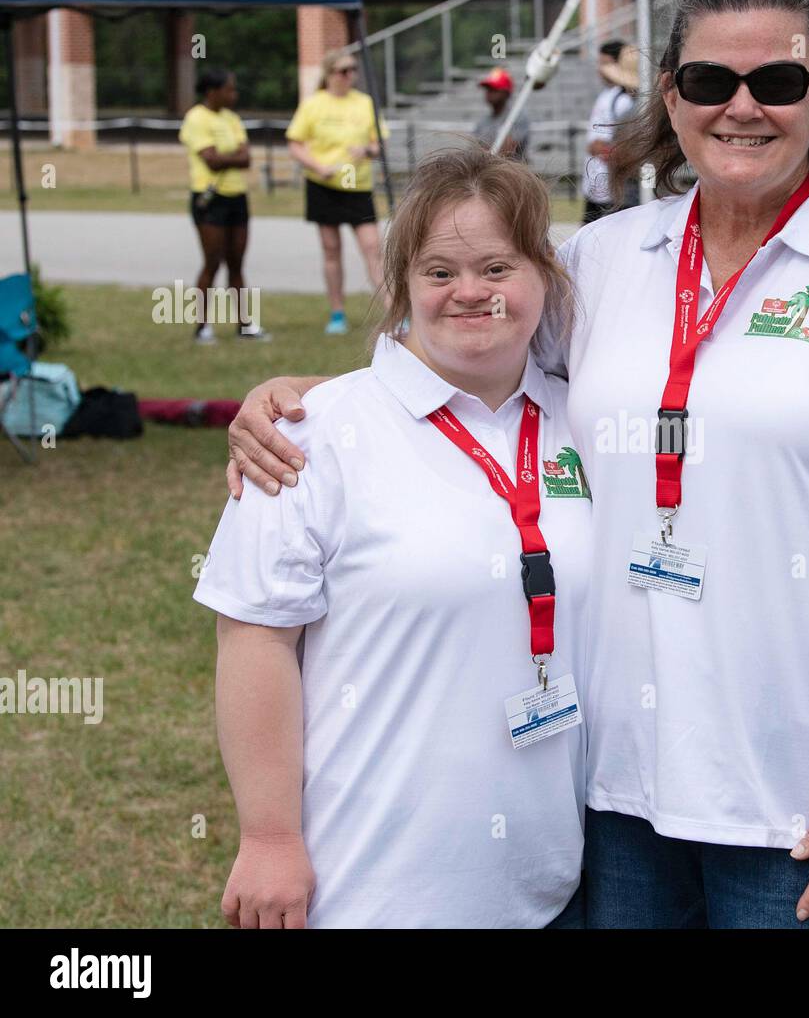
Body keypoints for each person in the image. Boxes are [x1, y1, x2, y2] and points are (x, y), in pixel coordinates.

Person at [224, 0, 809, 930]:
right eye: (708, 81)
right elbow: (468, 343)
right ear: (670, 96)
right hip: (613, 799)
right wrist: (308, 398)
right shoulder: (606, 259)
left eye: (777, 82)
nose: (743, 107)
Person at [194, 147, 589, 928]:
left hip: (553, 886)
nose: (470, 292)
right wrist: (269, 838)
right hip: (374, 889)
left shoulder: (586, 418)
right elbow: (255, 640)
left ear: (544, 273)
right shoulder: (311, 435)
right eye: (440, 271)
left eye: (498, 268)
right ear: (403, 283)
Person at [286, 49, 389, 335]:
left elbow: (379, 142)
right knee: (331, 249)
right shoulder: (314, 104)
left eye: (353, 70)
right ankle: (337, 313)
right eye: (344, 71)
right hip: (324, 185)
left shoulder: (364, 103)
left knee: (373, 247)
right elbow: (295, 143)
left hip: (357, 183)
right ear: (330, 74)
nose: (350, 76)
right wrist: (317, 166)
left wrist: (367, 149)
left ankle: (394, 311)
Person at [179, 68, 268, 343]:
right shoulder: (196, 118)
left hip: (236, 197)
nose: (234, 94)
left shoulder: (231, 118)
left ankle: (244, 324)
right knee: (212, 261)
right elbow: (211, 160)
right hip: (210, 199)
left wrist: (226, 156)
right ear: (212, 92)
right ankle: (202, 326)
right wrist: (232, 156)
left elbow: (245, 158)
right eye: (229, 89)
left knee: (236, 263)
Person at [581, 42, 639, 224]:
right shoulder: (611, 97)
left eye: (605, 63)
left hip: (617, 188)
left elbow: (620, 150)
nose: (600, 69)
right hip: (601, 183)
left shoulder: (624, 103)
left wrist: (605, 150)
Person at [472, 67, 529, 160]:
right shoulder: (482, 121)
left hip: (512, 171)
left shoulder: (517, 116)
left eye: (494, 89)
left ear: (506, 93)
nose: (489, 93)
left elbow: (507, 150)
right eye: (488, 89)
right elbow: (473, 151)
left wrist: (483, 151)